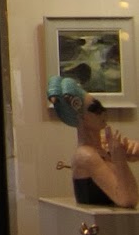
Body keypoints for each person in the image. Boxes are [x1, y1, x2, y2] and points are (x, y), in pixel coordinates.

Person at [49, 75, 139, 207]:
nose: (103, 113)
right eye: (95, 109)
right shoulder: (86, 156)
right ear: (81, 118)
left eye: (101, 108)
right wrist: (119, 160)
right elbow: (128, 199)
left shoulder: (100, 149)